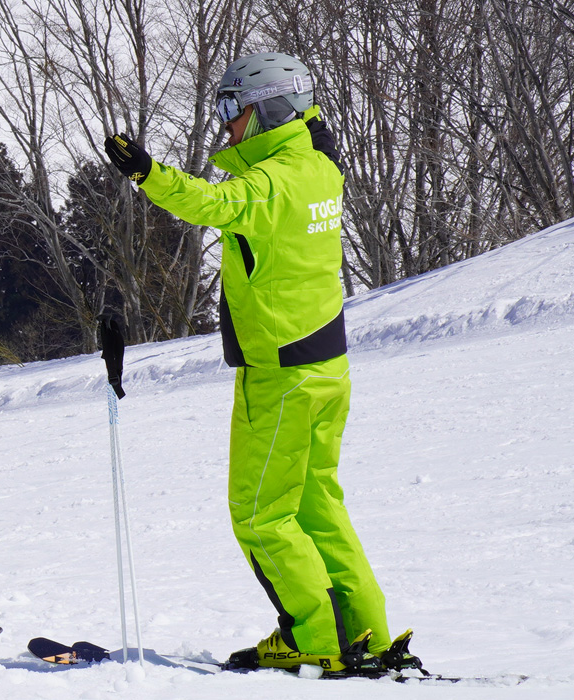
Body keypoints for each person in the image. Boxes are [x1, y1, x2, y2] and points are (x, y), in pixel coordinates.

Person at [102, 52, 416, 674]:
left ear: (269, 108)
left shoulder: (271, 182)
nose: (223, 126)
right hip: (327, 367)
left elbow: (210, 204)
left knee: (260, 514)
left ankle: (313, 634)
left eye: (231, 111)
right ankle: (366, 631)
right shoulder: (319, 166)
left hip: (278, 372)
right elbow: (313, 144)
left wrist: (146, 172)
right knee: (315, 503)